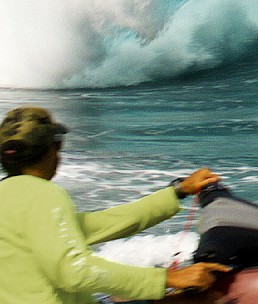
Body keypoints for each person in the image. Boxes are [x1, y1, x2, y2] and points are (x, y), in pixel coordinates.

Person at [0, 106, 230, 304]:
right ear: (52, 149)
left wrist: (178, 192)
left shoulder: (9, 195)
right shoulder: (43, 194)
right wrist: (167, 279)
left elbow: (102, 224)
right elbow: (74, 271)